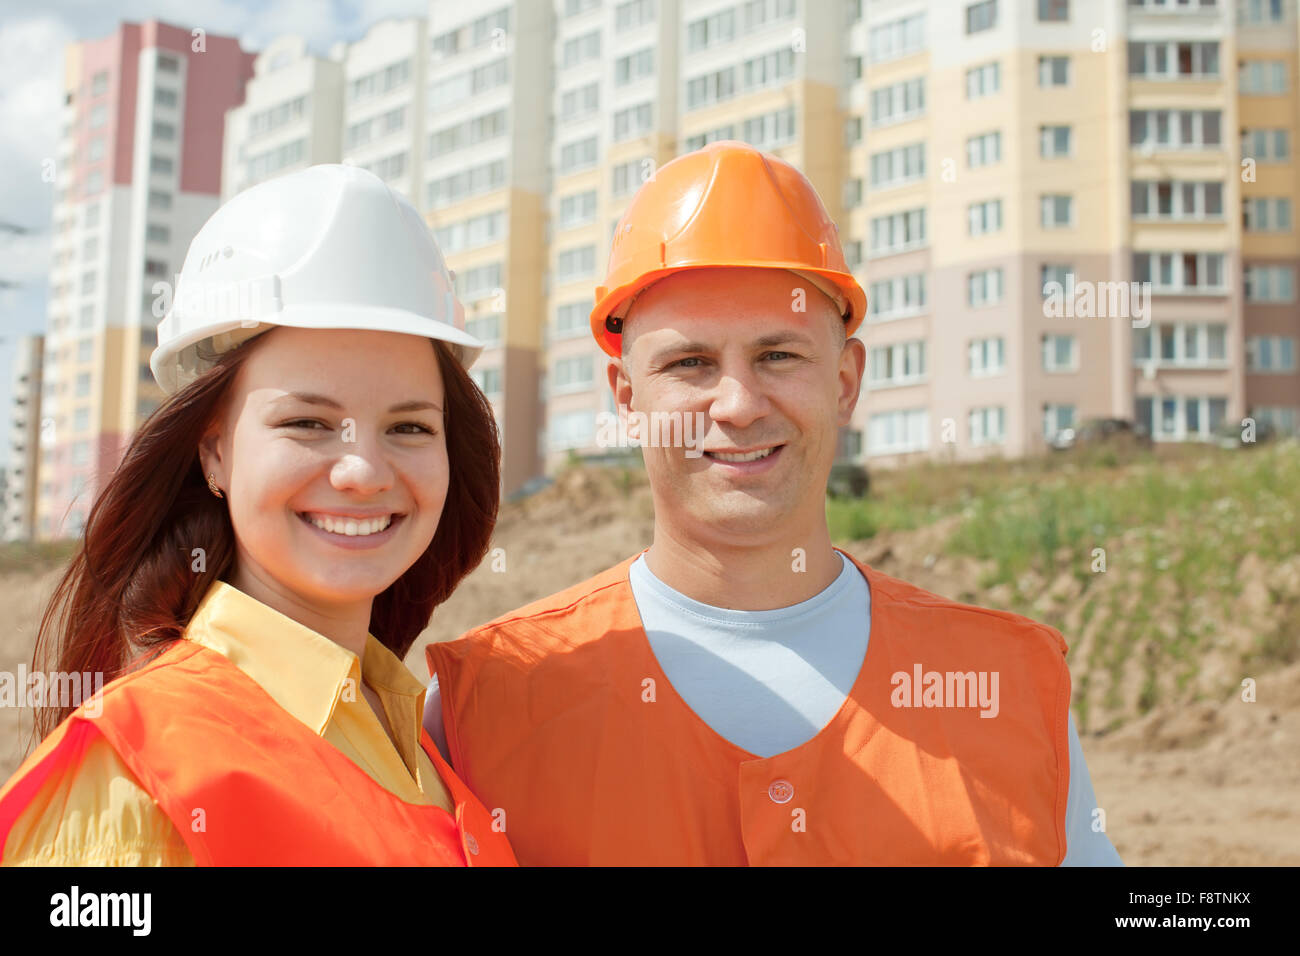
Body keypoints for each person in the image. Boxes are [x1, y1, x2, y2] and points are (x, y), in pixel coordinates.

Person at [423, 141, 1122, 866]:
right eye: (690, 363)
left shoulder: (1004, 687)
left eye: (779, 356)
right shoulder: (490, 702)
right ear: (627, 398)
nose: (739, 404)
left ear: (846, 381)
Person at [0, 165, 515, 866]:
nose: (362, 471)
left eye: (410, 428)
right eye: (307, 422)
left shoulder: (414, 741)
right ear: (213, 452)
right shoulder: (133, 775)